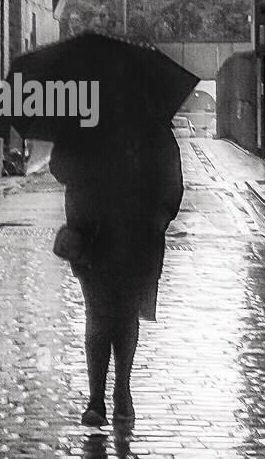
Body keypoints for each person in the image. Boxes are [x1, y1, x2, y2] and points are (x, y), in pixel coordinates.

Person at [50, 110, 184, 427]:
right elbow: (60, 166)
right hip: (91, 234)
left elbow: (170, 177)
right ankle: (98, 398)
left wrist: (160, 216)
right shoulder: (82, 117)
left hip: (136, 234)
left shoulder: (151, 122)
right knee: (98, 313)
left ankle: (121, 391)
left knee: (124, 313)